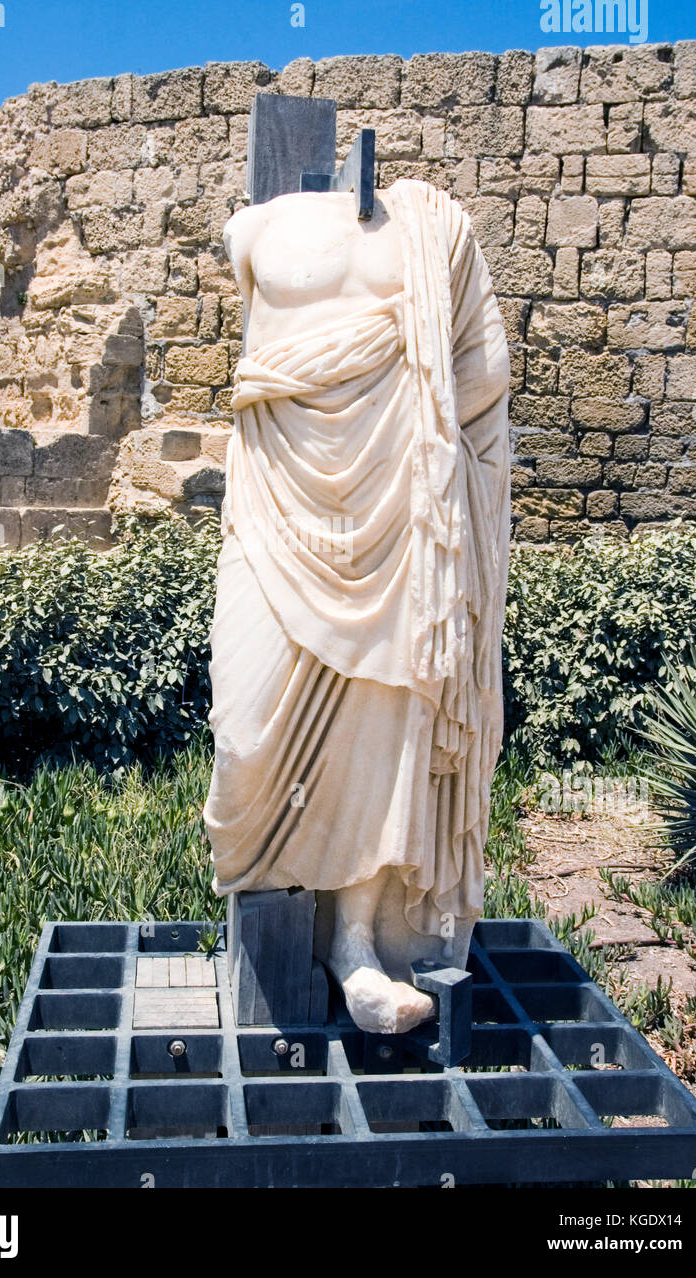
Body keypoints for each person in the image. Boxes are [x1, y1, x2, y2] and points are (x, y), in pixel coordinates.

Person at [203, 178, 510, 1034]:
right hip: (275, 504)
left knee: (386, 723)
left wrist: (429, 450)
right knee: (245, 729)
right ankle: (273, 924)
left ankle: (357, 943)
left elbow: (482, 371)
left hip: (398, 510)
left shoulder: (433, 229)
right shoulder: (250, 225)